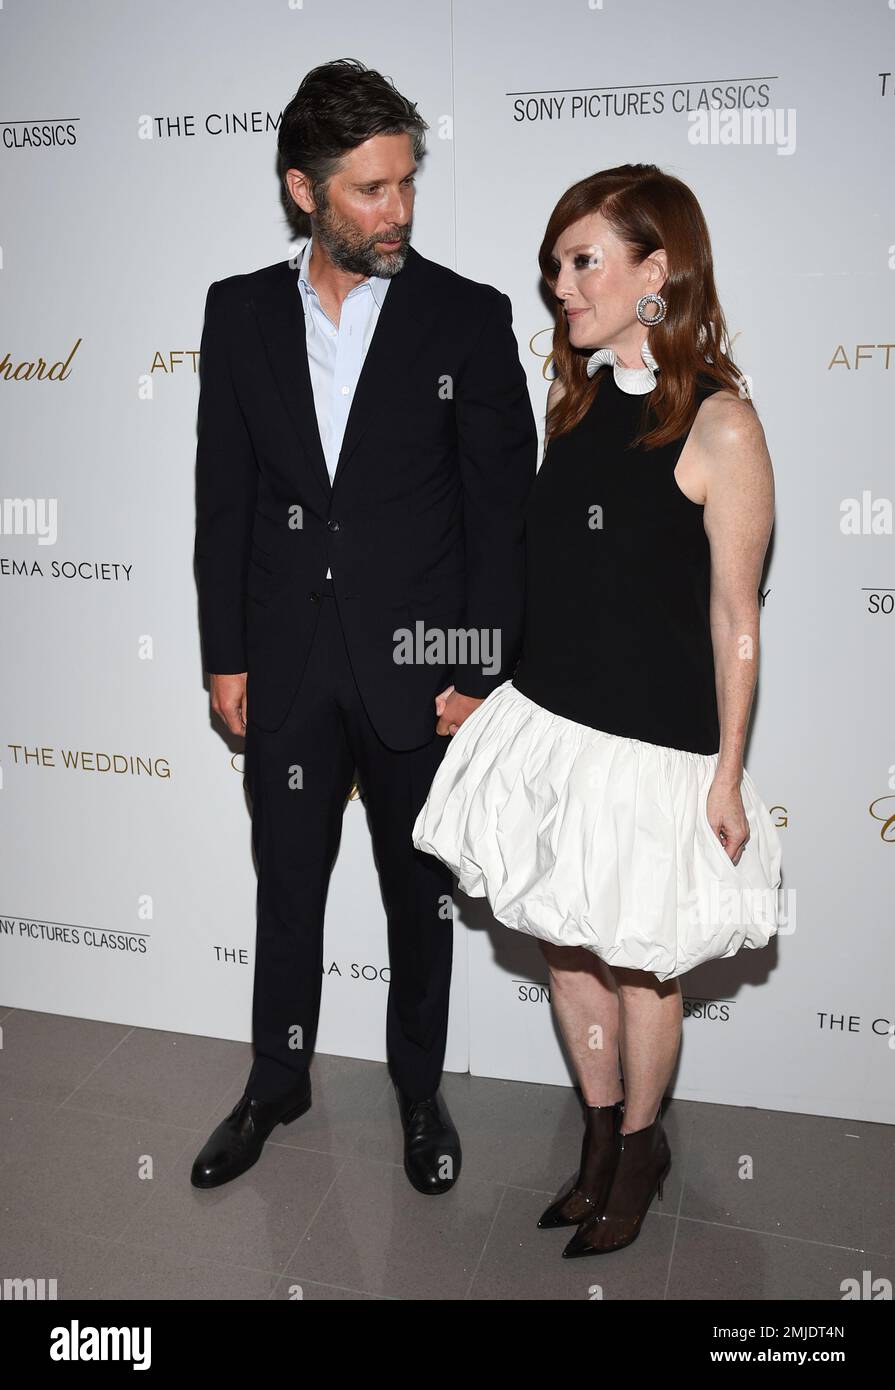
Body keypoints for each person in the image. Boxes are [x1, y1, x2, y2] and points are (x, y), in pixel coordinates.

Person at [413, 163, 782, 1252]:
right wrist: (484, 691)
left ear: (655, 272)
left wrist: (724, 774)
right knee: (564, 947)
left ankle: (640, 1140)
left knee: (636, 959)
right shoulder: (571, 404)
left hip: (653, 751)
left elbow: (734, 618)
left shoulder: (723, 425)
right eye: (556, 265)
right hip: (550, 731)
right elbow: (546, 584)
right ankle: (597, 1134)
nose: (559, 287)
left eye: (583, 263)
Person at [191, 59, 537, 1195]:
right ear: (305, 191)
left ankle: (417, 1090)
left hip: (417, 674)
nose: (397, 211)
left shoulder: (468, 317)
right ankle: (275, 1082)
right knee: (285, 889)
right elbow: (224, 495)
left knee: (415, 901)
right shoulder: (239, 311)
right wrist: (225, 653)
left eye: (406, 185)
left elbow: (501, 515)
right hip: (286, 664)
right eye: (372, 191)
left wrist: (479, 668)